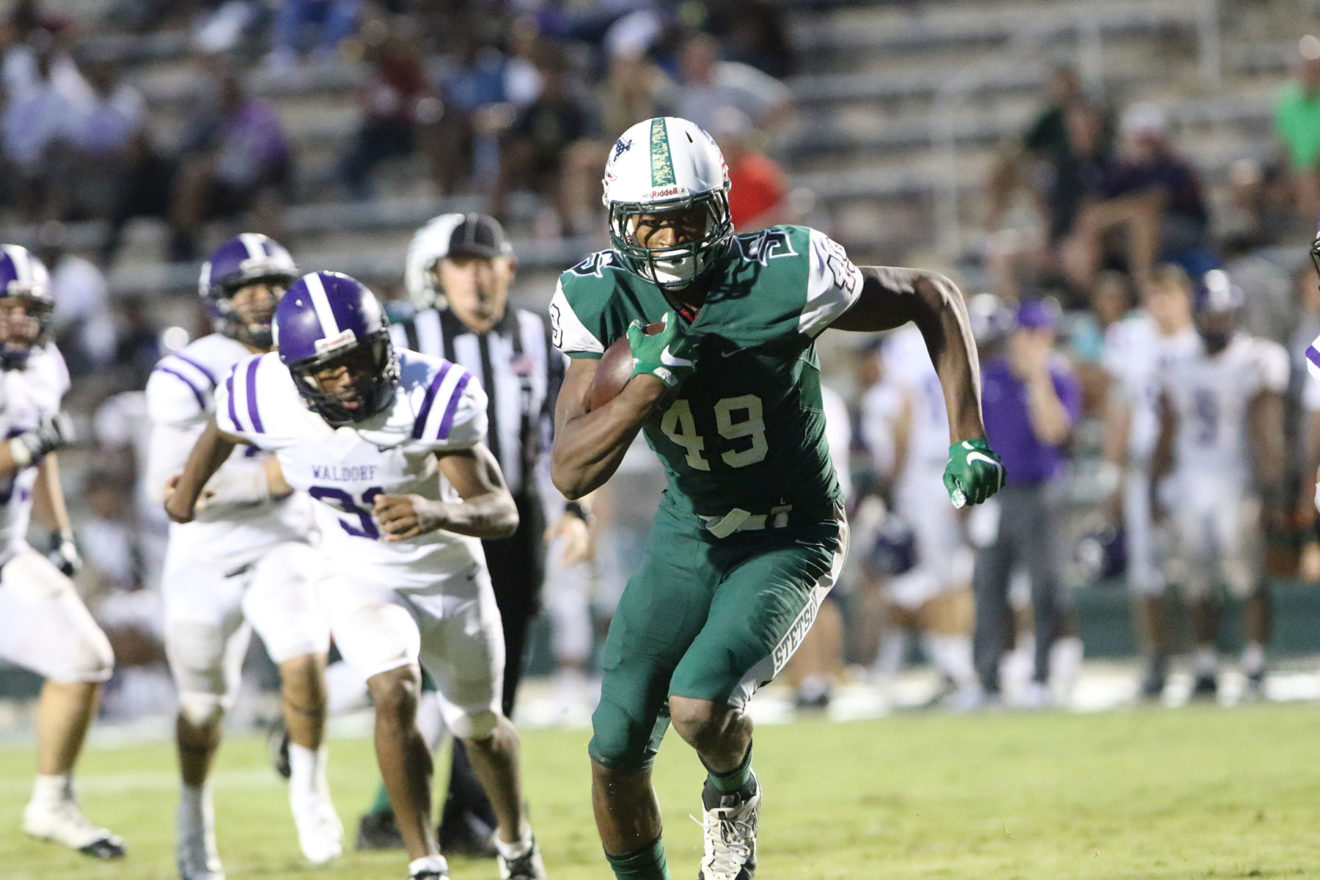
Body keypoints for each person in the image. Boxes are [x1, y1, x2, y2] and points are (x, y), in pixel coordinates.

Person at [547, 116, 1004, 880]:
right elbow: (568, 468)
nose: (670, 239)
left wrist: (969, 435)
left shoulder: (784, 272)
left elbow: (931, 294)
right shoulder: (600, 294)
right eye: (651, 223)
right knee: (616, 743)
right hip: (690, 530)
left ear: (720, 209)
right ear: (620, 224)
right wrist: (641, 393)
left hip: (789, 533)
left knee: (699, 706)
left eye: (686, 217)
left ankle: (732, 797)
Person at [164, 271, 547, 880]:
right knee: (393, 689)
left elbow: (501, 512)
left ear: (384, 346)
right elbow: (220, 430)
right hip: (356, 570)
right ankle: (425, 861)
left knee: (477, 725)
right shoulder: (262, 392)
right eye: (327, 370)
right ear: (295, 373)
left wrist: (437, 512)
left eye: (358, 360)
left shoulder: (428, 394)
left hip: (448, 573)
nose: (347, 380)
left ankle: (516, 842)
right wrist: (186, 494)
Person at [351, 212, 575, 856]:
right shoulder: (404, 336)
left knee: (494, 675)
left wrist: (574, 509)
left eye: (488, 264)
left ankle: (467, 812)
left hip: (510, 520)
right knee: (412, 669)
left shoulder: (536, 336)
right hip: (424, 520)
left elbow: (555, 436)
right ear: (438, 276)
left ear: (509, 270)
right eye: (463, 265)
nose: (477, 279)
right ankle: (402, 810)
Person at [145, 234, 339, 878]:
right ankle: (192, 820)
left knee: (304, 663)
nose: (262, 297)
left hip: (284, 541)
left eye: (273, 283)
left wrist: (270, 483)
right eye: (245, 287)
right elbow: (170, 491)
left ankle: (309, 791)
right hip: (203, 557)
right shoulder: (191, 371)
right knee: (202, 708)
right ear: (218, 300)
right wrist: (273, 478)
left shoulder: (318, 354)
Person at [0, 244, 123, 859]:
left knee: (85, 658)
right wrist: (22, 450)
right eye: (7, 307)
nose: (20, 320)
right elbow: (29, 448)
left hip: (5, 554)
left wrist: (61, 531)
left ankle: (51, 804)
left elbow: (40, 455)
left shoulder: (44, 365)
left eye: (30, 308)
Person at [1153, 269, 1287, 699]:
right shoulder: (1177, 362)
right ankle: (1206, 662)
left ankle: (1255, 661)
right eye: (1209, 315)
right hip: (1190, 481)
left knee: (1248, 576)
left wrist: (1271, 486)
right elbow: (1167, 430)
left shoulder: (1257, 358)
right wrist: (1155, 483)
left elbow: (1266, 429)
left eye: (1222, 315)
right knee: (1196, 581)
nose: (1215, 324)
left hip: (1236, 479)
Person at [971, 299, 1081, 708]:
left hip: (1042, 493)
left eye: (1039, 334)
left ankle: (1042, 676)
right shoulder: (990, 378)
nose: (1032, 341)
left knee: (1045, 587)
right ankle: (987, 680)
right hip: (997, 493)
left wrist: (1037, 378)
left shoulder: (1059, 379)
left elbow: (1053, 432)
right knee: (988, 587)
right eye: (1026, 333)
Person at [1099, 265, 1199, 699]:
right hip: (1143, 465)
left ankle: (1202, 659)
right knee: (1146, 571)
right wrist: (1112, 471)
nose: (1160, 305)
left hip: (1195, 465)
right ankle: (1156, 659)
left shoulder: (1202, 340)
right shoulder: (1131, 338)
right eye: (1153, 296)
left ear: (1185, 297)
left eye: (1168, 295)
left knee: (1196, 567)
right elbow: (1119, 406)